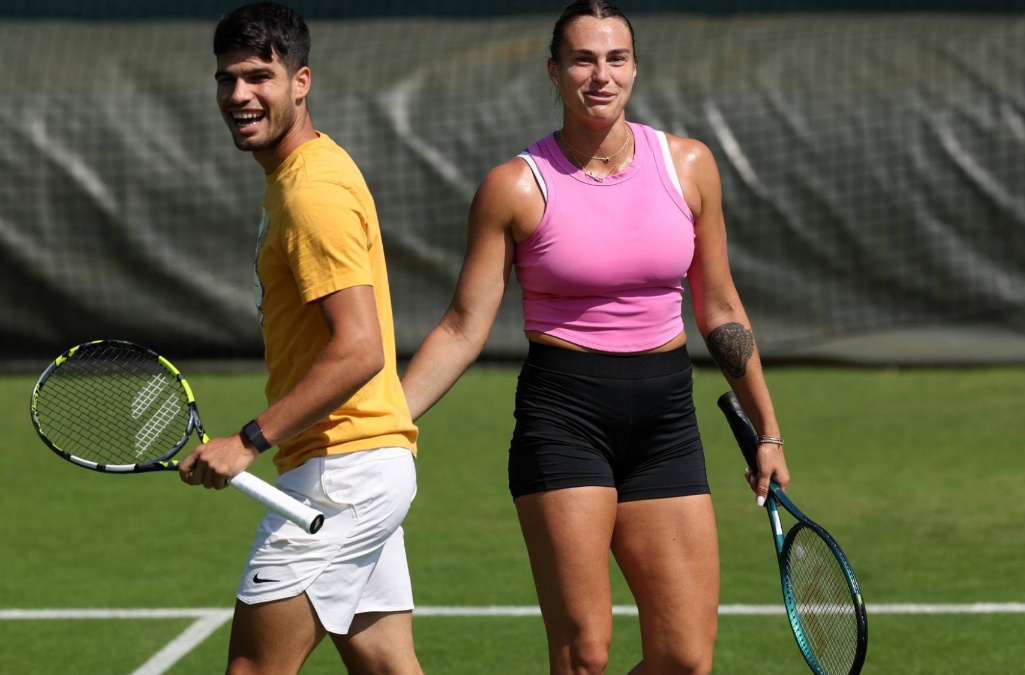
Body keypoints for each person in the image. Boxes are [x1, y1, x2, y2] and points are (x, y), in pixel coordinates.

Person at [400, 1, 790, 673]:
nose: (601, 75)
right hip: (564, 418)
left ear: (635, 68)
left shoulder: (690, 165)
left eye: (616, 59)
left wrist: (770, 431)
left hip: (667, 420)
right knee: (584, 655)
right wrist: (384, 418)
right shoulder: (514, 186)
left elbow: (721, 307)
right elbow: (463, 326)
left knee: (685, 659)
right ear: (555, 72)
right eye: (582, 60)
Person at [177, 3, 423, 674]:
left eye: (259, 76)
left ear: (301, 81)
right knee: (387, 665)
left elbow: (360, 349)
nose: (239, 95)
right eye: (227, 78)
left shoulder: (312, 192)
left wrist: (247, 441)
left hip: (340, 476)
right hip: (359, 468)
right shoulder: (299, 178)